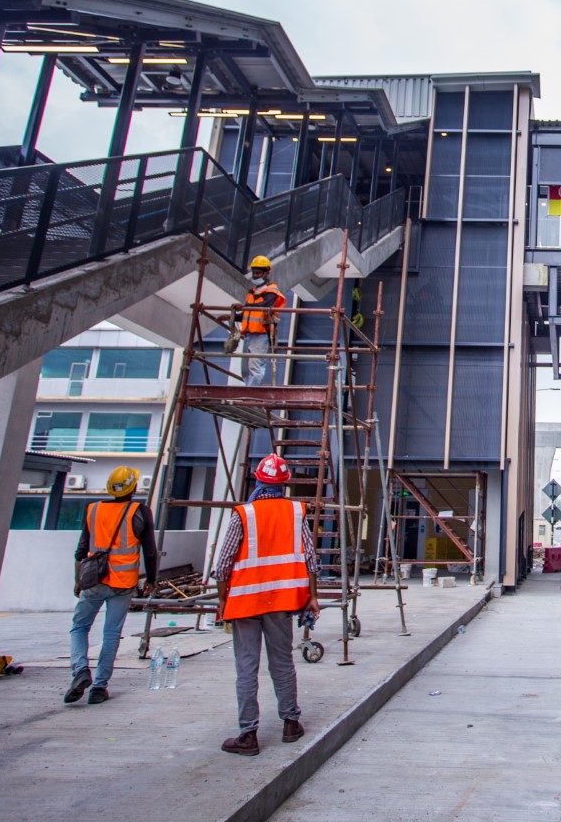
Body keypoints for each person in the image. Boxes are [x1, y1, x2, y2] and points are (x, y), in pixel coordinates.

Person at [215, 453, 319, 756]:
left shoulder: (243, 514)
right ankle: (290, 723)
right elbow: (311, 560)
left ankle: (248, 734)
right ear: (284, 483)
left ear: (258, 479)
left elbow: (223, 565)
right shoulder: (297, 512)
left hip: (245, 604)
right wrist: (312, 596)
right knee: (282, 663)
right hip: (282, 601)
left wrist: (222, 600)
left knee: (246, 668)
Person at [65, 466, 157, 705]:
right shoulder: (140, 512)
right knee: (111, 634)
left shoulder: (93, 510)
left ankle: (80, 670)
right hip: (123, 584)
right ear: (134, 487)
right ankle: (99, 686)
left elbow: (80, 550)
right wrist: (151, 580)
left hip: (93, 580)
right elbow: (150, 552)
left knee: (79, 627)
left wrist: (78, 581)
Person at [236, 255, 286, 387]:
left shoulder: (271, 290)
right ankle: (248, 390)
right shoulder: (252, 292)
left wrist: (244, 307)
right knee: (245, 368)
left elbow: (264, 305)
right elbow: (248, 313)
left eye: (258, 273)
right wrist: (233, 316)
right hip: (249, 334)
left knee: (255, 366)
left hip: (261, 334)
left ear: (266, 273)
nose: (255, 275)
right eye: (254, 273)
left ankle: (251, 395)